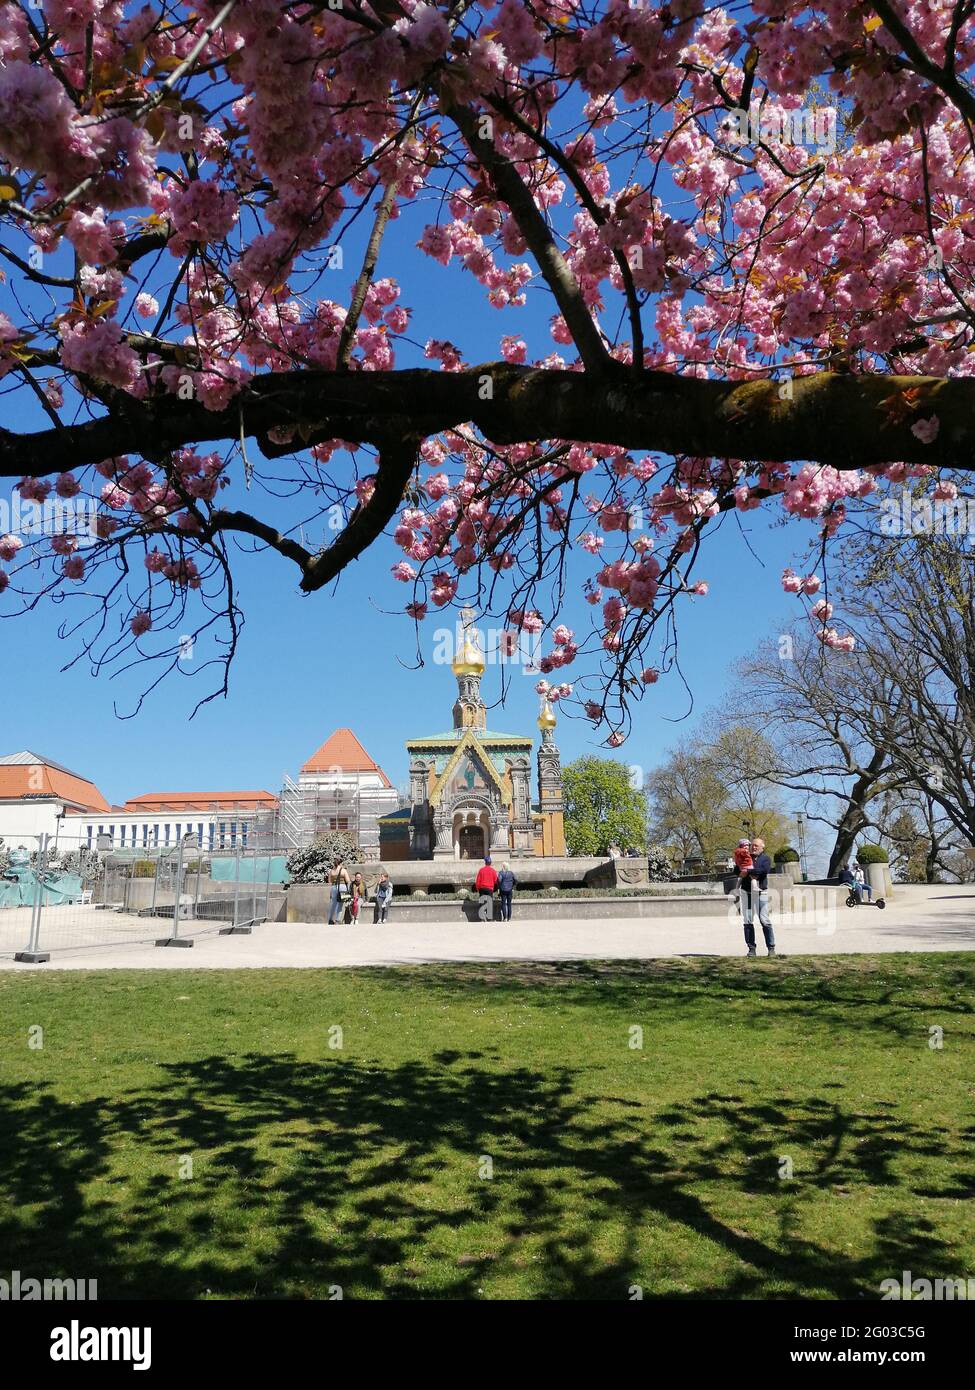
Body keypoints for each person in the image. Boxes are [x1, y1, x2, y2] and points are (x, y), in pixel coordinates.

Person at [740, 837, 776, 957]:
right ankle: (751, 949)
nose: (754, 847)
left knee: (764, 920)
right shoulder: (746, 856)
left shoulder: (765, 858)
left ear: (762, 847)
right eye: (752, 845)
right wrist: (741, 872)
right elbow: (737, 869)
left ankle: (771, 948)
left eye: (756, 845)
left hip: (761, 893)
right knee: (748, 921)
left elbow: (763, 871)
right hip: (747, 892)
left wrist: (748, 872)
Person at [474, 855, 498, 921]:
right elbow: (496, 881)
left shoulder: (481, 870)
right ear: (490, 863)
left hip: (482, 888)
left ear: (485, 862)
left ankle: (482, 918)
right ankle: (489, 918)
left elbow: (477, 881)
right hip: (490, 888)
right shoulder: (493, 870)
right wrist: (495, 889)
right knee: (489, 902)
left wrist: (478, 889)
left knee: (482, 902)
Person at [327, 858, 350, 925]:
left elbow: (329, 881)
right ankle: (337, 920)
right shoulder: (343, 870)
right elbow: (348, 880)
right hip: (342, 887)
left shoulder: (331, 871)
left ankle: (330, 919)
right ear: (341, 863)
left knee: (333, 904)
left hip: (334, 887)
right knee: (340, 904)